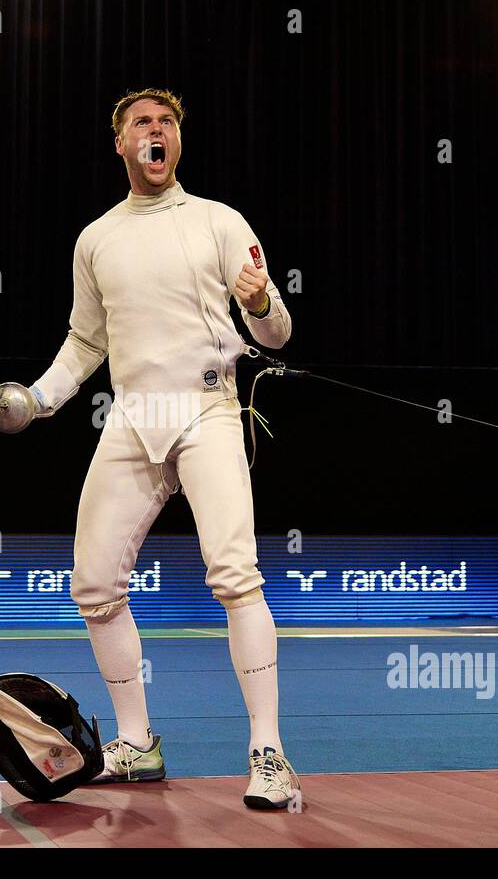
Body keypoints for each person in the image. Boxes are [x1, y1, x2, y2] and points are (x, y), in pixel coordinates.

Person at [25, 88, 300, 808]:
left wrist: (264, 301)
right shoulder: (96, 239)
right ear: (120, 143)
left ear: (178, 142)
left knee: (235, 574)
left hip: (208, 407)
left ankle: (269, 752)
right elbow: (86, 340)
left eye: (167, 122)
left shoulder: (218, 221)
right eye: (141, 123)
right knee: (93, 585)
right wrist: (40, 398)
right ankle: (137, 743)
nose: (156, 131)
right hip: (133, 416)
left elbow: (275, 336)